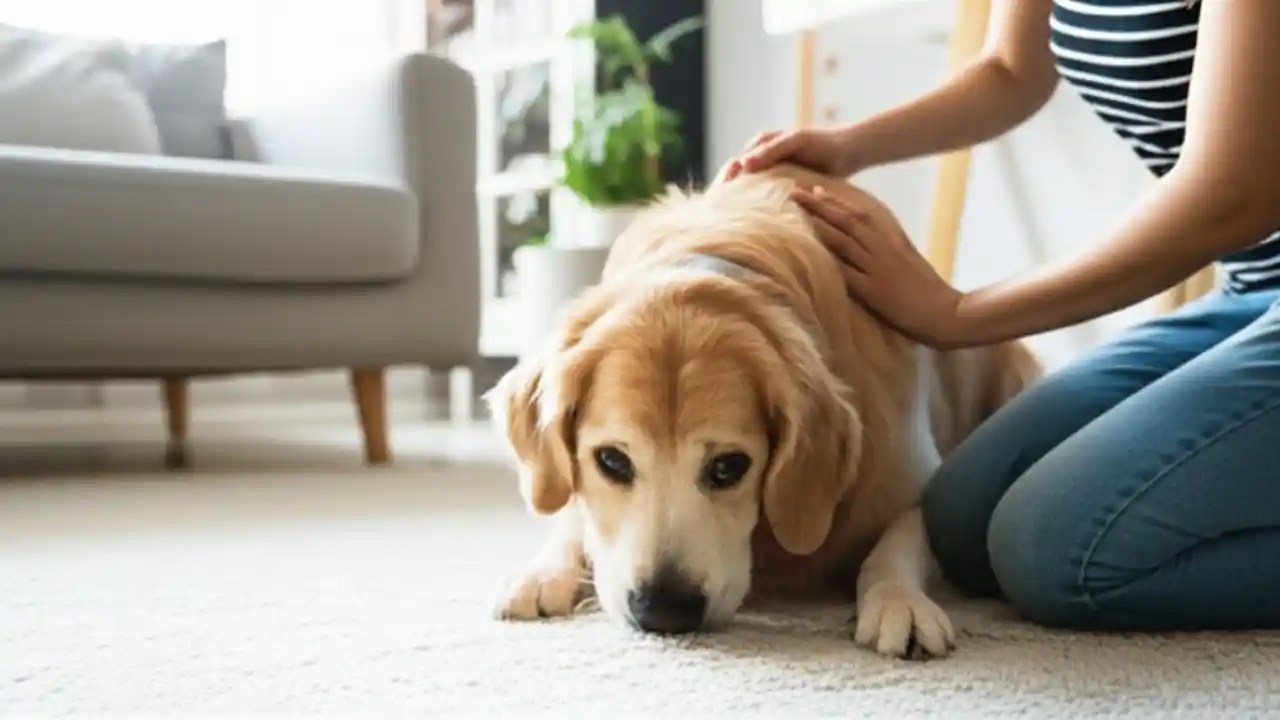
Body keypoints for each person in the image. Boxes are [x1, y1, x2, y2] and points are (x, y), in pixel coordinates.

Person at [726, 0, 1280, 631]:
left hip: (1251, 260)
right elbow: (1012, 68)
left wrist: (959, 314)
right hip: (1251, 290)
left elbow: (1233, 195)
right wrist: (849, 146)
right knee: (958, 521)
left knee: (1058, 552)